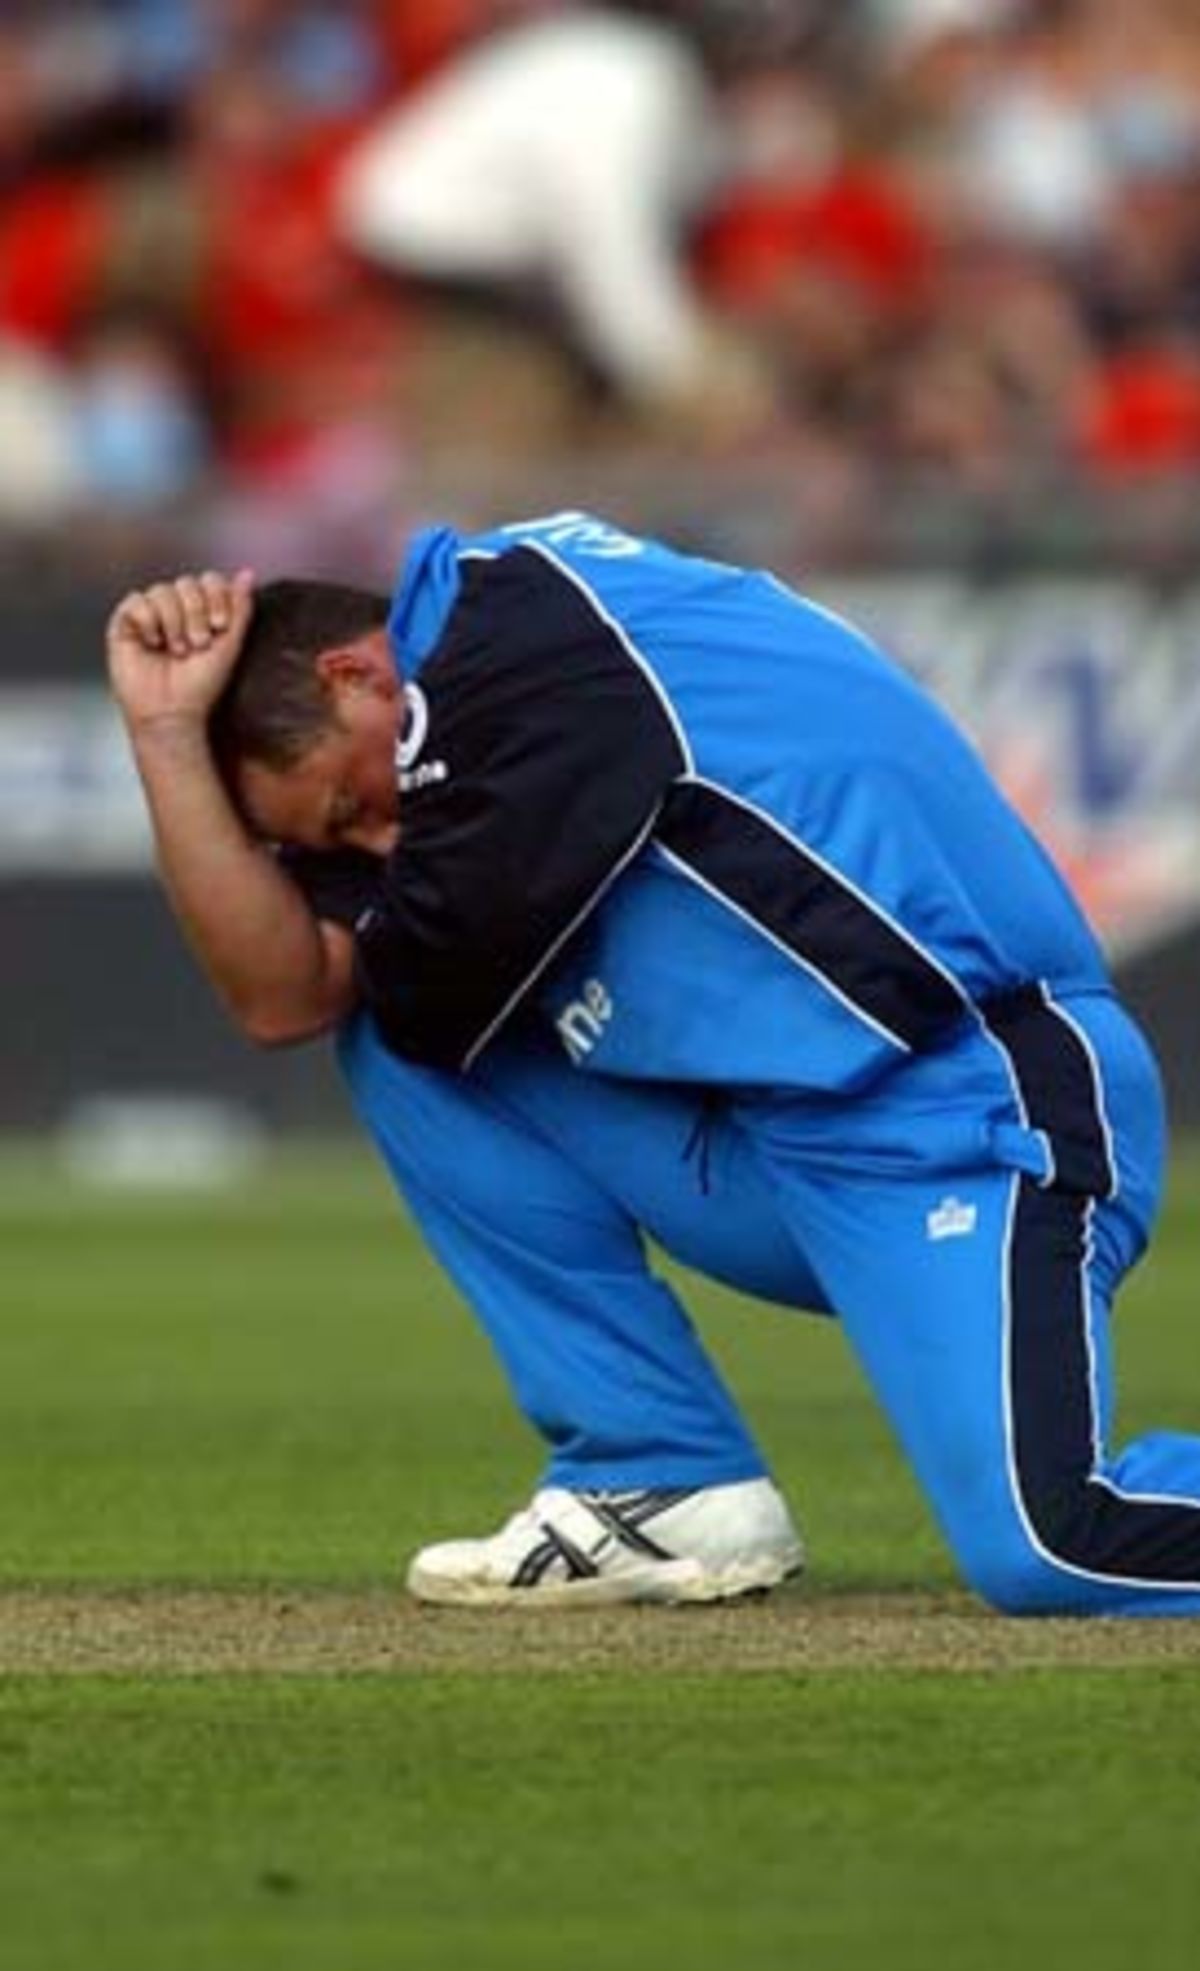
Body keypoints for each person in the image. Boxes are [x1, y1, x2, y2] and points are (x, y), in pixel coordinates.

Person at [106, 509, 1200, 1616]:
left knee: (1052, 1547)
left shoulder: (524, 625)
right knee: (394, 1029)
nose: (373, 846)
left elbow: (359, 969)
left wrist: (342, 899)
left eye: (349, 807)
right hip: (784, 1151)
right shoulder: (457, 726)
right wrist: (162, 735)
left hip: (980, 1107)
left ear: (359, 675)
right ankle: (658, 1477)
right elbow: (288, 994)